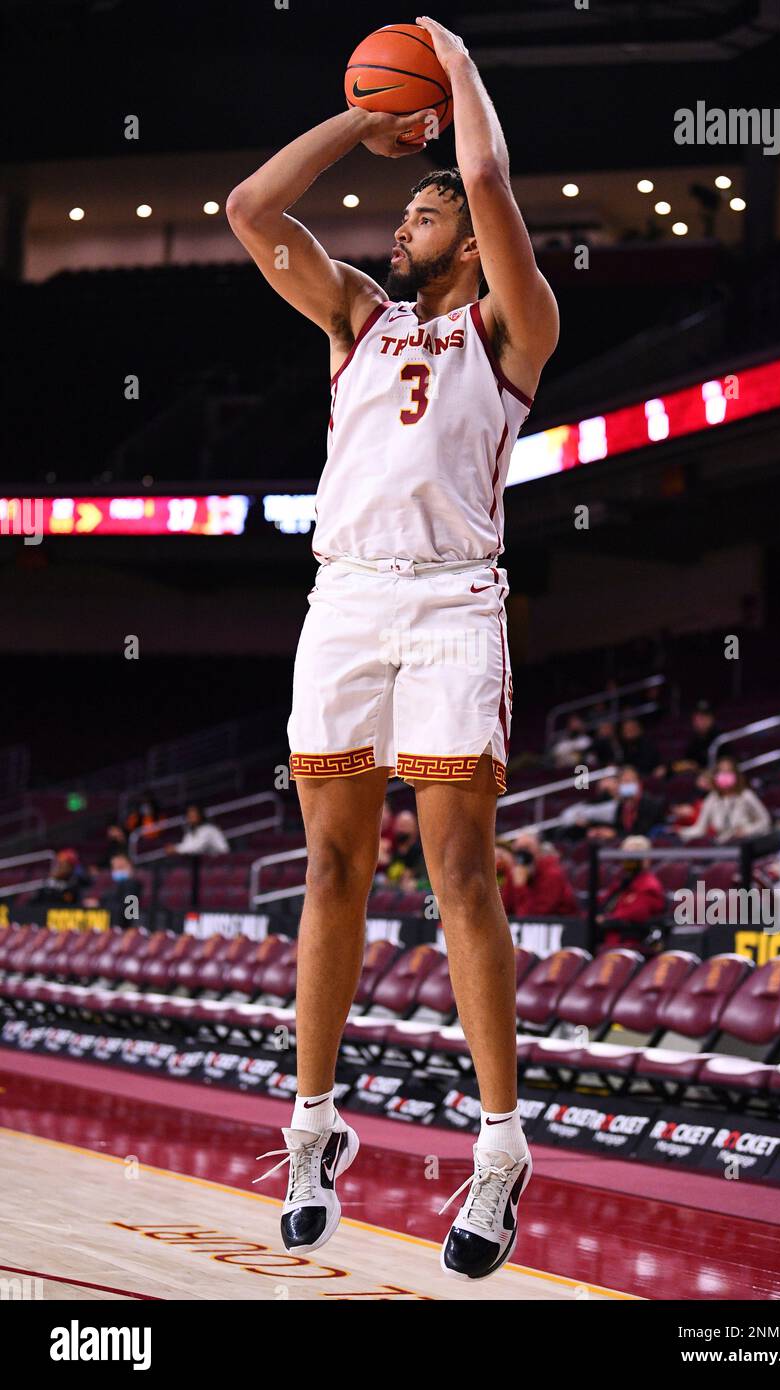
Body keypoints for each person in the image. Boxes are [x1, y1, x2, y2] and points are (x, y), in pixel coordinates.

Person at [232, 15, 559, 1279]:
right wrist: (363, 125)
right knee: (328, 871)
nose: (400, 225)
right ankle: (313, 1125)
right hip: (345, 603)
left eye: (419, 214)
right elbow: (252, 203)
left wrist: (454, 64)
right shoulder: (354, 318)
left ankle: (498, 1147)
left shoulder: (508, 326)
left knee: (458, 876)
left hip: (449, 602)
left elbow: (483, 177)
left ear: (470, 245)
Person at [595, 835, 665, 953]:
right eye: (625, 856)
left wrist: (606, 920)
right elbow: (603, 903)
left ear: (646, 859)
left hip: (630, 943)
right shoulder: (623, 882)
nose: (628, 861)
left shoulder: (649, 885)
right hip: (609, 940)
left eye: (633, 857)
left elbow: (636, 915)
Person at [679, 757, 771, 843]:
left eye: (728, 772)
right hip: (722, 844)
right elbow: (700, 828)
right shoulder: (712, 798)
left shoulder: (746, 795)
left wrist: (747, 830)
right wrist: (680, 832)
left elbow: (765, 821)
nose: (725, 776)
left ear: (735, 774)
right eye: (722, 772)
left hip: (745, 842)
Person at [562, 766, 665, 841]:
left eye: (630, 781)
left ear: (638, 784)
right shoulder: (621, 806)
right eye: (623, 782)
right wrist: (600, 831)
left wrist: (615, 834)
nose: (626, 784)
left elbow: (641, 832)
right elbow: (619, 827)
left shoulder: (651, 804)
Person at [498, 833, 576, 917]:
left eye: (527, 848)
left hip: (561, 925)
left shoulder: (552, 874)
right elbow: (503, 910)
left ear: (539, 851)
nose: (523, 853)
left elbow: (534, 917)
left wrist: (520, 887)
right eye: (519, 849)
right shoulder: (514, 872)